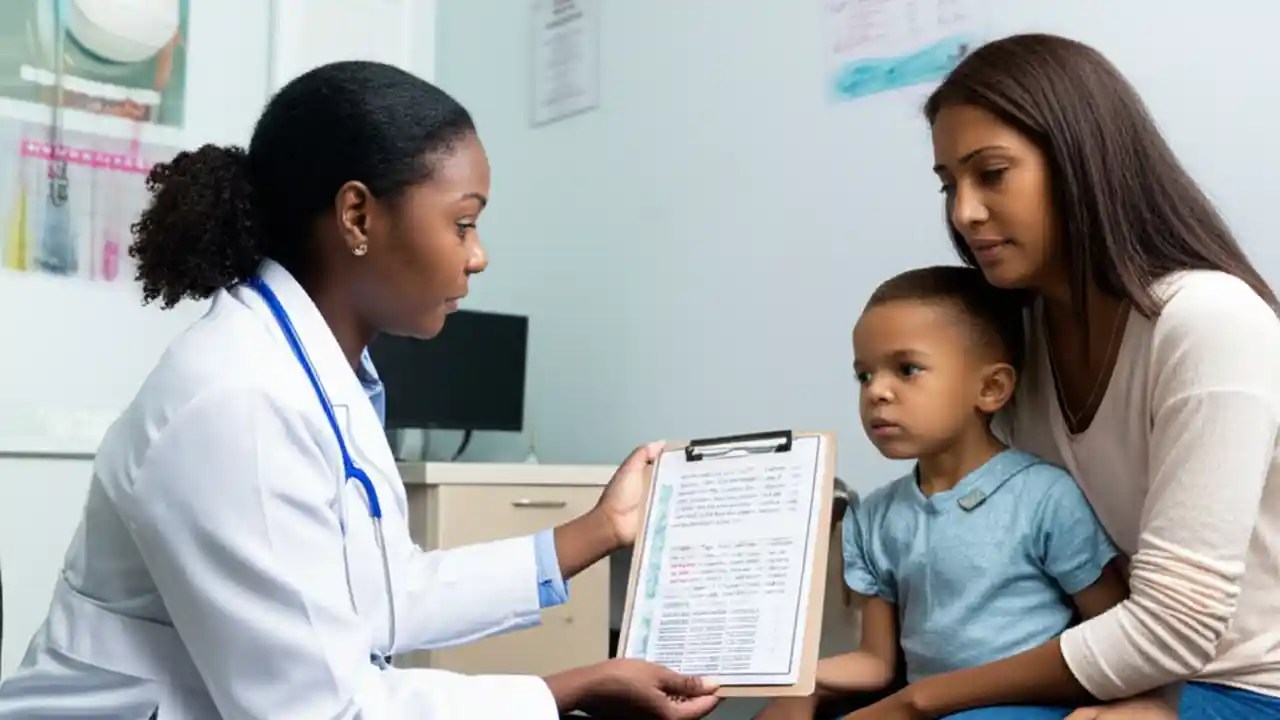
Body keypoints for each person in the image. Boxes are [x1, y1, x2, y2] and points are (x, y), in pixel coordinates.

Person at [0, 61, 720, 720]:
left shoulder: (316, 373)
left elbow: (383, 595)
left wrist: (602, 529)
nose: (478, 255)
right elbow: (321, 711)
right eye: (463, 223)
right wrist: (572, 689)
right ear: (357, 217)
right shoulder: (238, 403)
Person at [842, 33, 1280, 719]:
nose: (963, 212)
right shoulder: (1019, 342)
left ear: (1082, 161)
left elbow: (1177, 624)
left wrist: (917, 701)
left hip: (1241, 684)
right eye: (949, 184)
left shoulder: (1209, 321)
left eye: (991, 174)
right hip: (1108, 670)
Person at [754, 266, 1131, 720]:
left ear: (990, 388)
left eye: (907, 369)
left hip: (1026, 705)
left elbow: (1112, 632)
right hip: (925, 709)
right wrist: (799, 682)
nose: (877, 392)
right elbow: (875, 663)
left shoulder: (1045, 498)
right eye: (864, 375)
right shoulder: (873, 517)